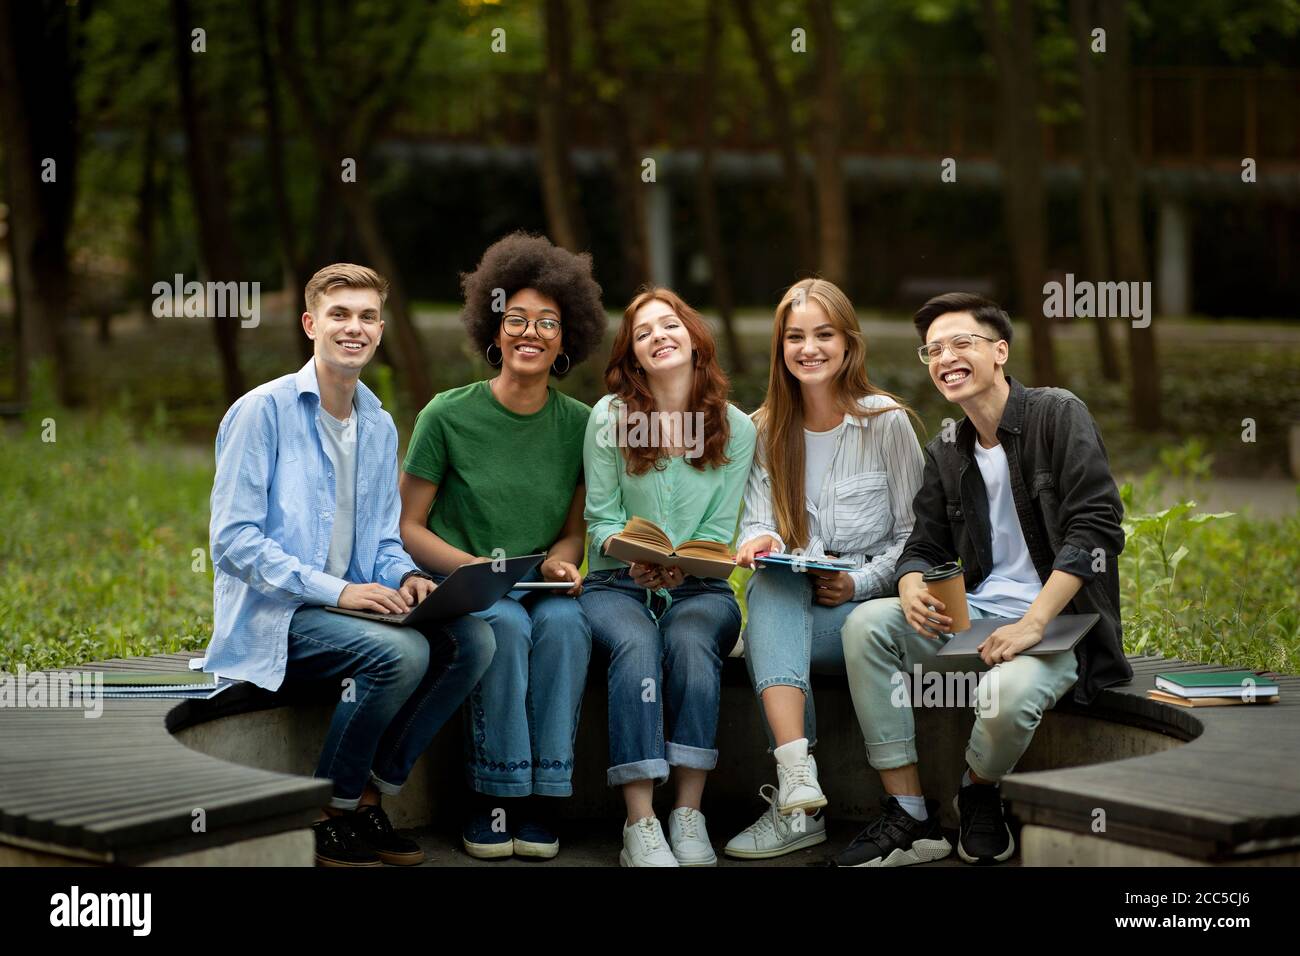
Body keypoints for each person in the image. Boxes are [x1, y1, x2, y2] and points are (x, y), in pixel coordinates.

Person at [205, 263, 495, 867]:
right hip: (278, 617)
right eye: (339, 315)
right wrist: (337, 592)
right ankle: (326, 814)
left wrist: (407, 578)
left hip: (350, 609)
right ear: (311, 323)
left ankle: (368, 797)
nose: (353, 328)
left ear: (381, 329)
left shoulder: (379, 425)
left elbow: (385, 542)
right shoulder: (263, 413)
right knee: (401, 654)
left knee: (474, 639)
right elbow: (233, 541)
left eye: (366, 316)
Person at [833, 291, 1129, 867]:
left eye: (961, 343)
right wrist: (911, 581)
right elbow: (921, 544)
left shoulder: (1056, 414)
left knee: (1004, 697)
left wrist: (1032, 624)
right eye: (933, 349)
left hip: (1057, 624)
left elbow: (1096, 529)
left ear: (999, 351)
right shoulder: (946, 447)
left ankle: (977, 790)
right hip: (971, 617)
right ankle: (908, 811)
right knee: (866, 624)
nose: (945, 357)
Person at [399, 233, 606, 861]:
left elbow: (574, 527)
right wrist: (476, 570)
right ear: (494, 327)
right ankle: (496, 794)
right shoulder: (446, 415)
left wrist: (565, 559)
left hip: (542, 585)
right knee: (509, 629)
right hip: (471, 587)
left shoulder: (582, 425)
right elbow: (409, 526)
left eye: (548, 322)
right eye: (516, 318)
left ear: (567, 340)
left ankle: (544, 797)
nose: (531, 333)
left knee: (569, 627)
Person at [723, 278, 924, 861]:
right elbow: (758, 520)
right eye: (795, 337)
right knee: (771, 581)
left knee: (767, 616)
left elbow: (917, 539)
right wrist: (759, 540)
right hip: (795, 609)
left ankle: (797, 812)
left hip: (865, 618)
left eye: (823, 335)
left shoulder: (885, 422)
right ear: (780, 348)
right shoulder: (763, 430)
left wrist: (856, 583)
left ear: (848, 343)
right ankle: (798, 781)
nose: (808, 349)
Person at [578, 287, 756, 867]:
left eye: (669, 324)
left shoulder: (734, 427)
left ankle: (687, 811)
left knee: (689, 637)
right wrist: (628, 551)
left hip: (701, 586)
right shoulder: (610, 416)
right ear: (631, 355)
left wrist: (683, 563)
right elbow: (600, 513)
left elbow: (720, 526)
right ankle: (641, 822)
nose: (658, 336)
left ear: (694, 337)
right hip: (615, 583)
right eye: (643, 332)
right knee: (636, 643)